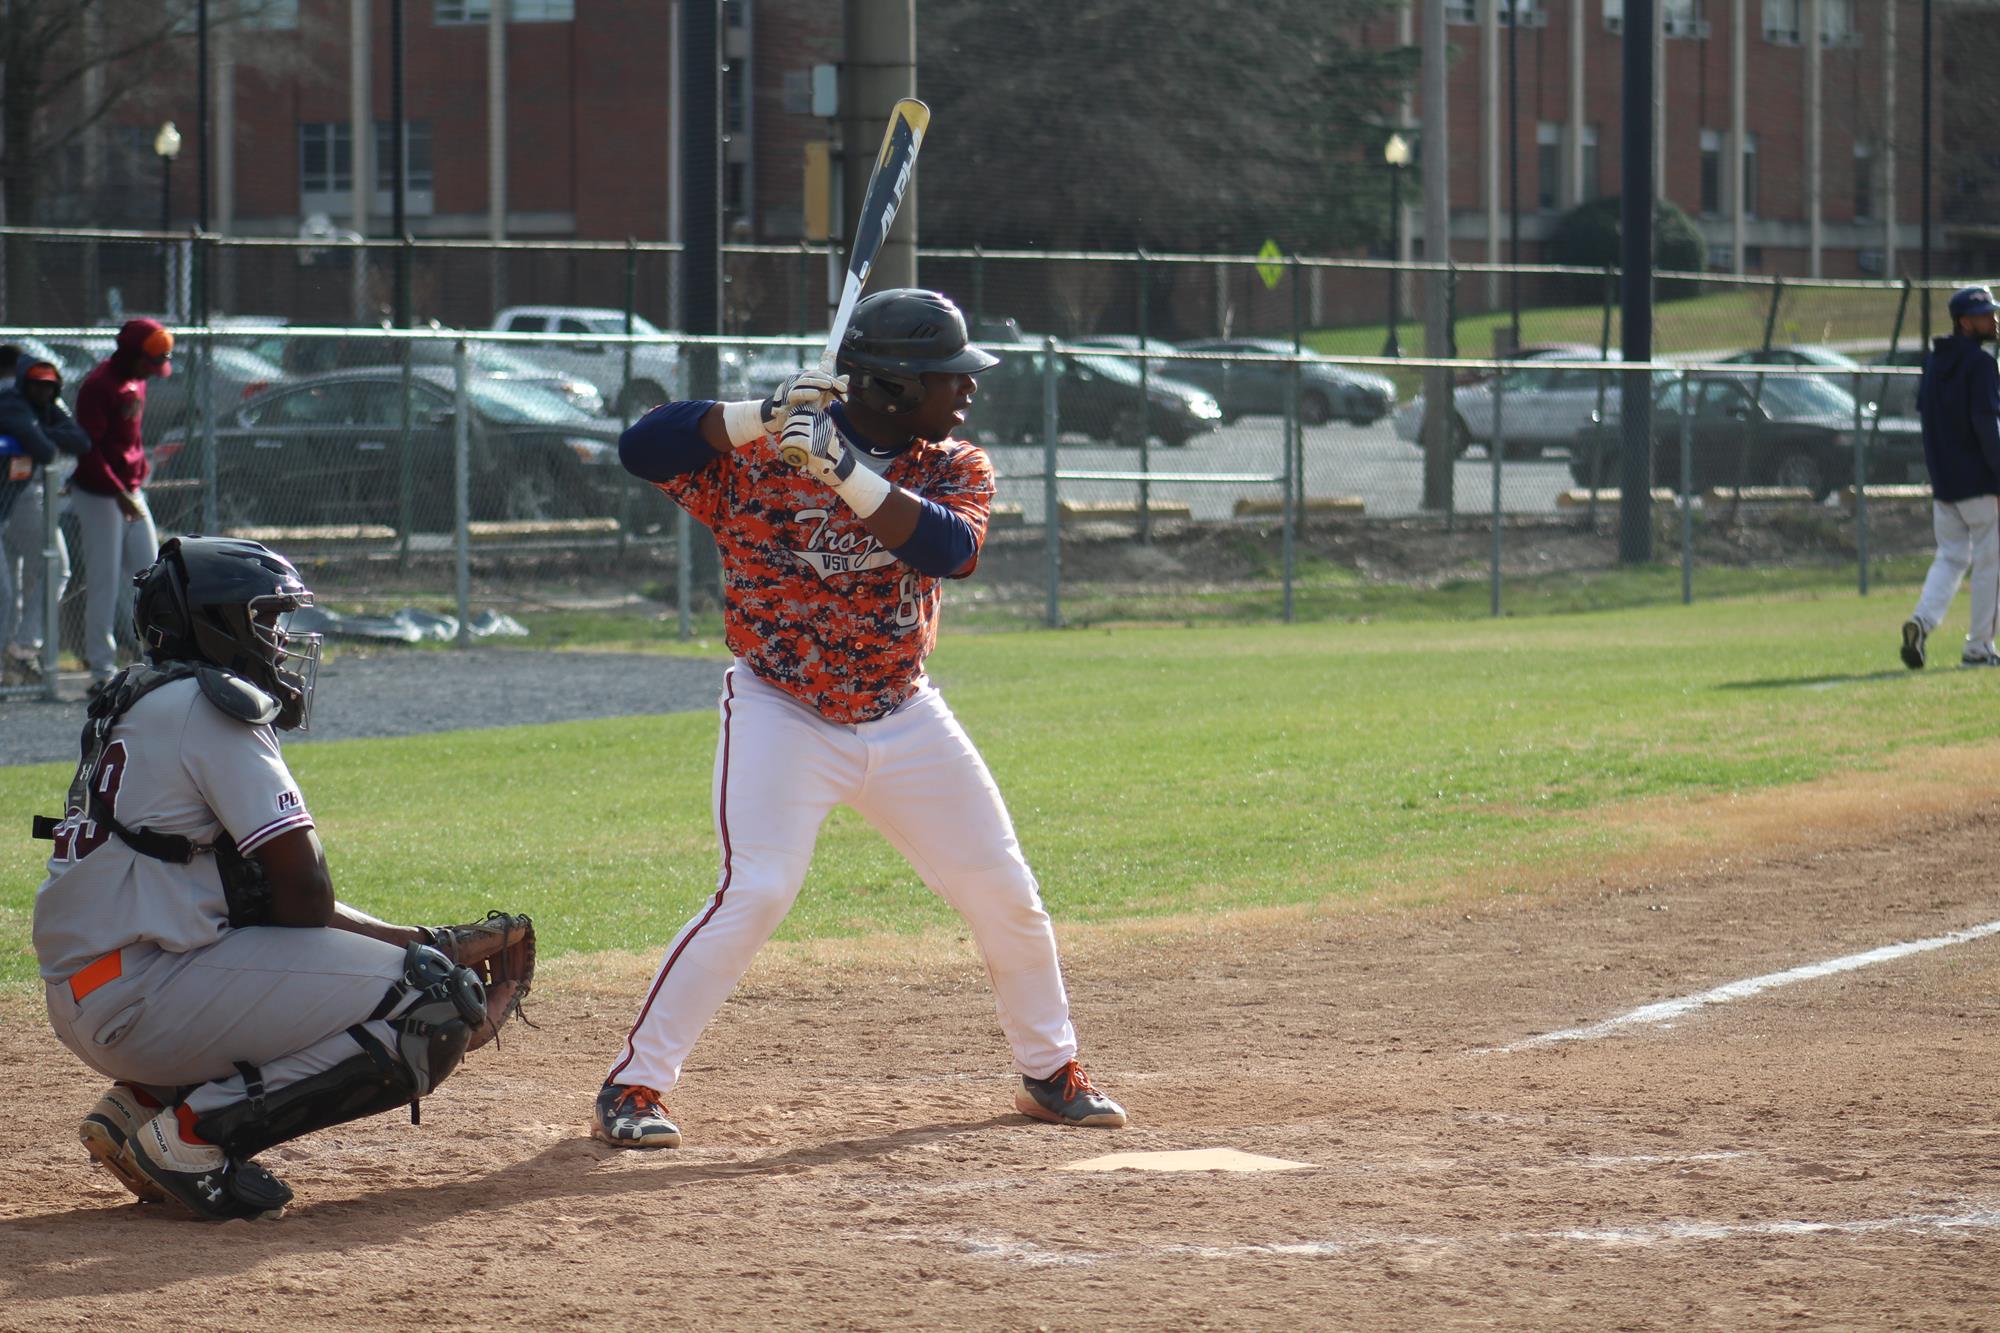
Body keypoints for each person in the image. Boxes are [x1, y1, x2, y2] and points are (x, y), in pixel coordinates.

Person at [596, 288, 1127, 1148]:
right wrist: (759, 414)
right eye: (949, 374)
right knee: (758, 889)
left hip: (903, 711)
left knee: (1005, 891)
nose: (968, 388)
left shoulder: (952, 464)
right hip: (780, 707)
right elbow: (639, 447)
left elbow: (949, 548)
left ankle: (1050, 1070)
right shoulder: (760, 455)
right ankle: (634, 1085)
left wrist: (842, 470)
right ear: (891, 382)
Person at [31, 536, 535, 1220]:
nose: (280, 640)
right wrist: (432, 955)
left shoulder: (142, 699)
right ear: (217, 623)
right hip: (146, 995)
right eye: (266, 619)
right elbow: (303, 895)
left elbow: (266, 901)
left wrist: (424, 939)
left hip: (104, 989)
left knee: (413, 973)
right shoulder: (212, 707)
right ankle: (191, 1136)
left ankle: (143, 1104)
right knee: (436, 1000)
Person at [1902, 284, 2000, 670]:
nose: (1993, 319)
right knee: (1991, 564)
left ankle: (1921, 621)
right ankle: (1979, 647)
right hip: (1981, 483)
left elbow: (1927, 419)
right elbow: (1986, 426)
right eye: (1984, 315)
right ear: (1965, 322)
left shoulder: (1933, 362)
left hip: (1945, 484)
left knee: (1952, 557)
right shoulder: (1980, 364)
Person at [73, 319, 172, 695]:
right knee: (104, 580)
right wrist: (118, 490)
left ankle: (157, 661)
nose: (153, 371)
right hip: (100, 494)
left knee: (152, 575)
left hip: (129, 490)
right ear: (132, 355)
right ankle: (100, 670)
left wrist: (138, 472)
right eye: (150, 362)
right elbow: (88, 449)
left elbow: (131, 437)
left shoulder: (137, 379)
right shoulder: (99, 385)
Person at [0, 350, 87, 684]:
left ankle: (16, 652)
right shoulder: (12, 403)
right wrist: (38, 433)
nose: (43, 390)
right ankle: (21, 648)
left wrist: (39, 430)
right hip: (18, 500)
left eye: (48, 385)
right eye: (36, 384)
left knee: (19, 583)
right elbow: (46, 450)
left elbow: (80, 441)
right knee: (46, 571)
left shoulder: (46, 407)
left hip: (16, 500)